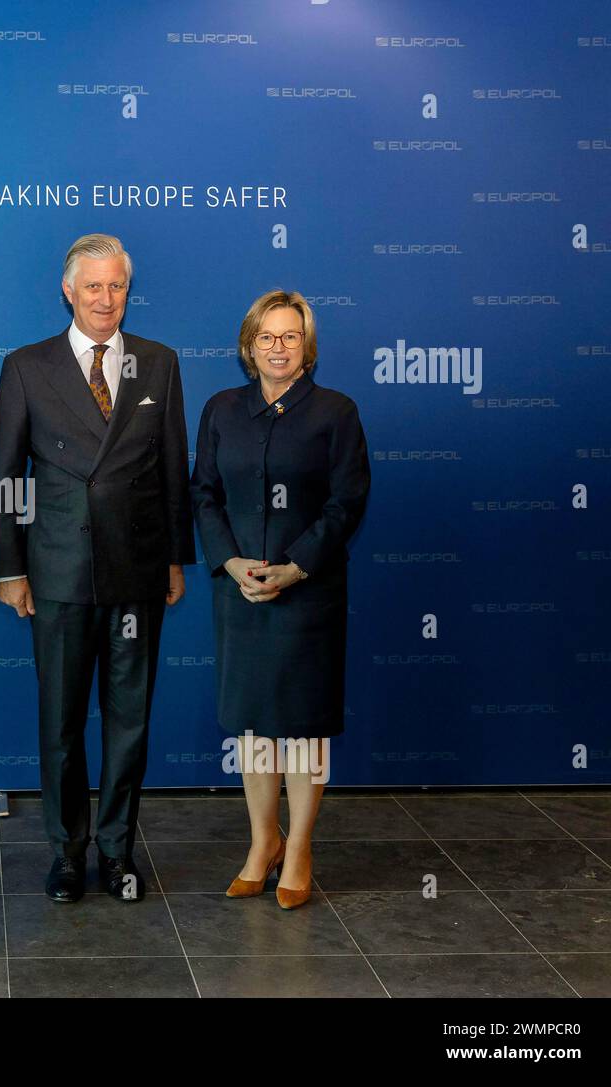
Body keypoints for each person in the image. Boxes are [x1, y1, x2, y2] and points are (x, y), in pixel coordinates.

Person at [0, 233, 194, 903]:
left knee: (129, 720)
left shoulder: (159, 364)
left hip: (136, 572)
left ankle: (117, 849)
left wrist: (173, 557)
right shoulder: (26, 366)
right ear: (68, 291)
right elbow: (5, 478)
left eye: (118, 287)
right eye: (94, 287)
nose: (107, 299)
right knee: (60, 720)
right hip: (56, 573)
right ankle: (67, 852)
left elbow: (171, 468)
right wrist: (9, 569)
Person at [190, 289, 370, 909]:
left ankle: (299, 850)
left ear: (307, 347)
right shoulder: (220, 410)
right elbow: (203, 495)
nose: (278, 346)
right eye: (267, 336)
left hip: (308, 594)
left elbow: (347, 503)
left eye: (290, 336)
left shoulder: (336, 413)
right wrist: (231, 562)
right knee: (255, 731)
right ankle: (262, 842)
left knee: (304, 732)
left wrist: (296, 568)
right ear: (249, 345)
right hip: (240, 592)